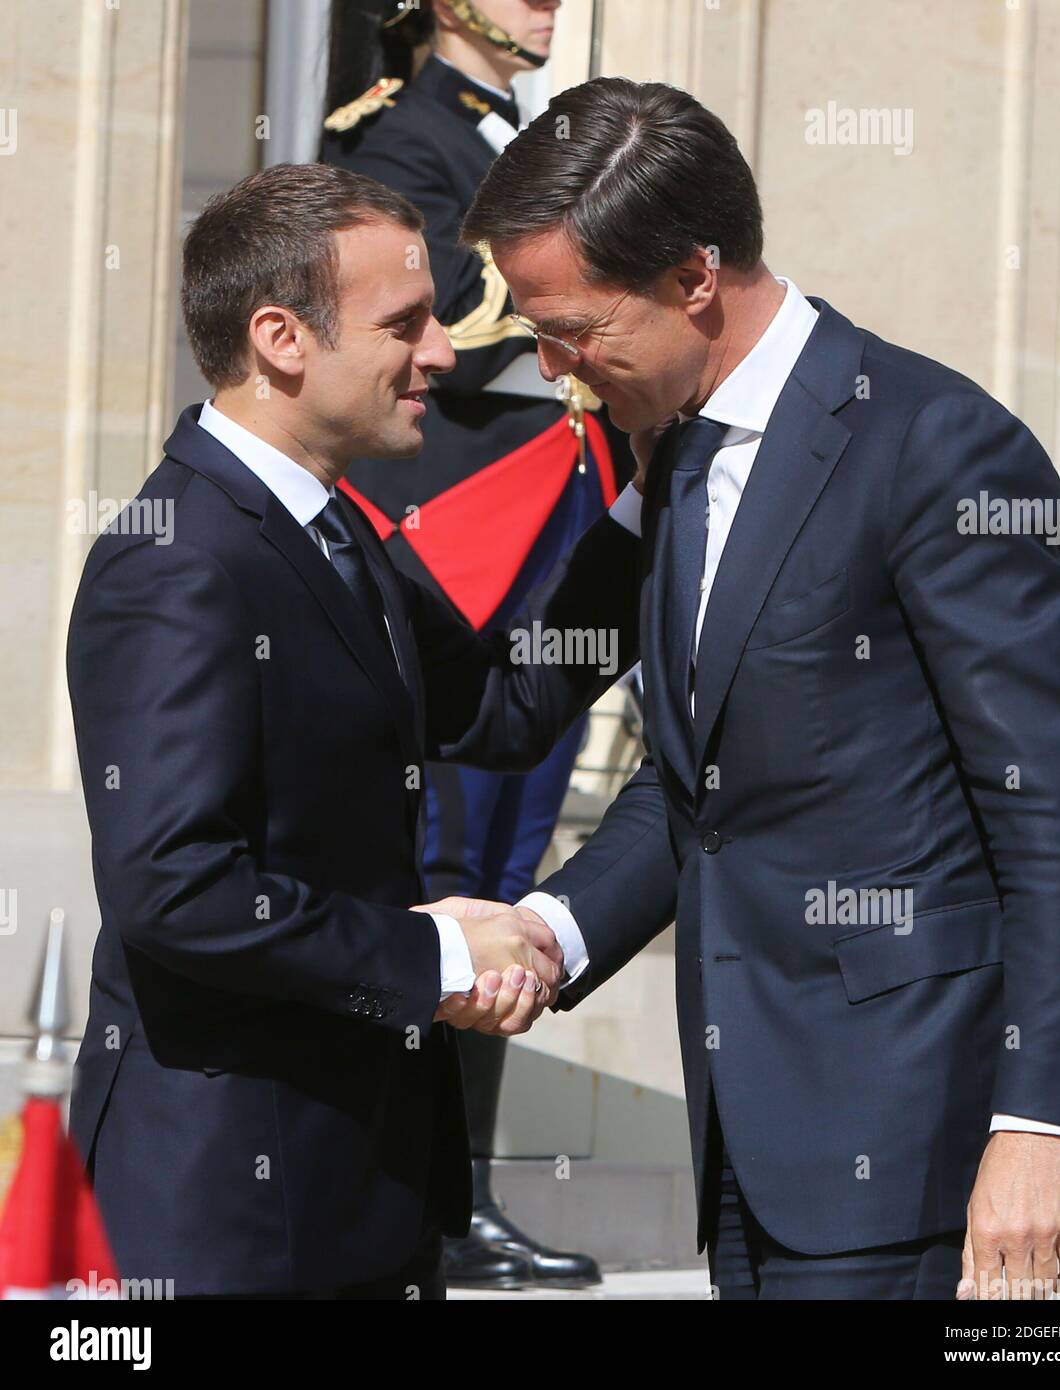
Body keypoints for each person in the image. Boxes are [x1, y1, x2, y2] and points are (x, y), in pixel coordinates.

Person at [441, 76, 1060, 1300]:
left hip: (912, 1152)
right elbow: (700, 786)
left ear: (695, 278)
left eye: (573, 329)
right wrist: (550, 931)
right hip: (745, 1157)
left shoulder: (933, 446)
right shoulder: (670, 454)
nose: (553, 369)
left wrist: (1036, 1126)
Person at [65, 161, 641, 1299]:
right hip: (228, 1205)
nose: (441, 353)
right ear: (282, 337)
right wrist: (431, 955)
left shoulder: (337, 528)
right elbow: (172, 885)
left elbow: (499, 707)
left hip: (360, 1186)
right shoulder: (172, 558)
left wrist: (646, 503)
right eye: (407, 322)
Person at [321, 0, 615, 1288]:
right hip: (460, 541)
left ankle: (462, 1195)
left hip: (547, 533)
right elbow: (460, 318)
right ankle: (423, 1196)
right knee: (439, 862)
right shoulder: (397, 134)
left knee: (505, 863)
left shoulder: (529, 134)